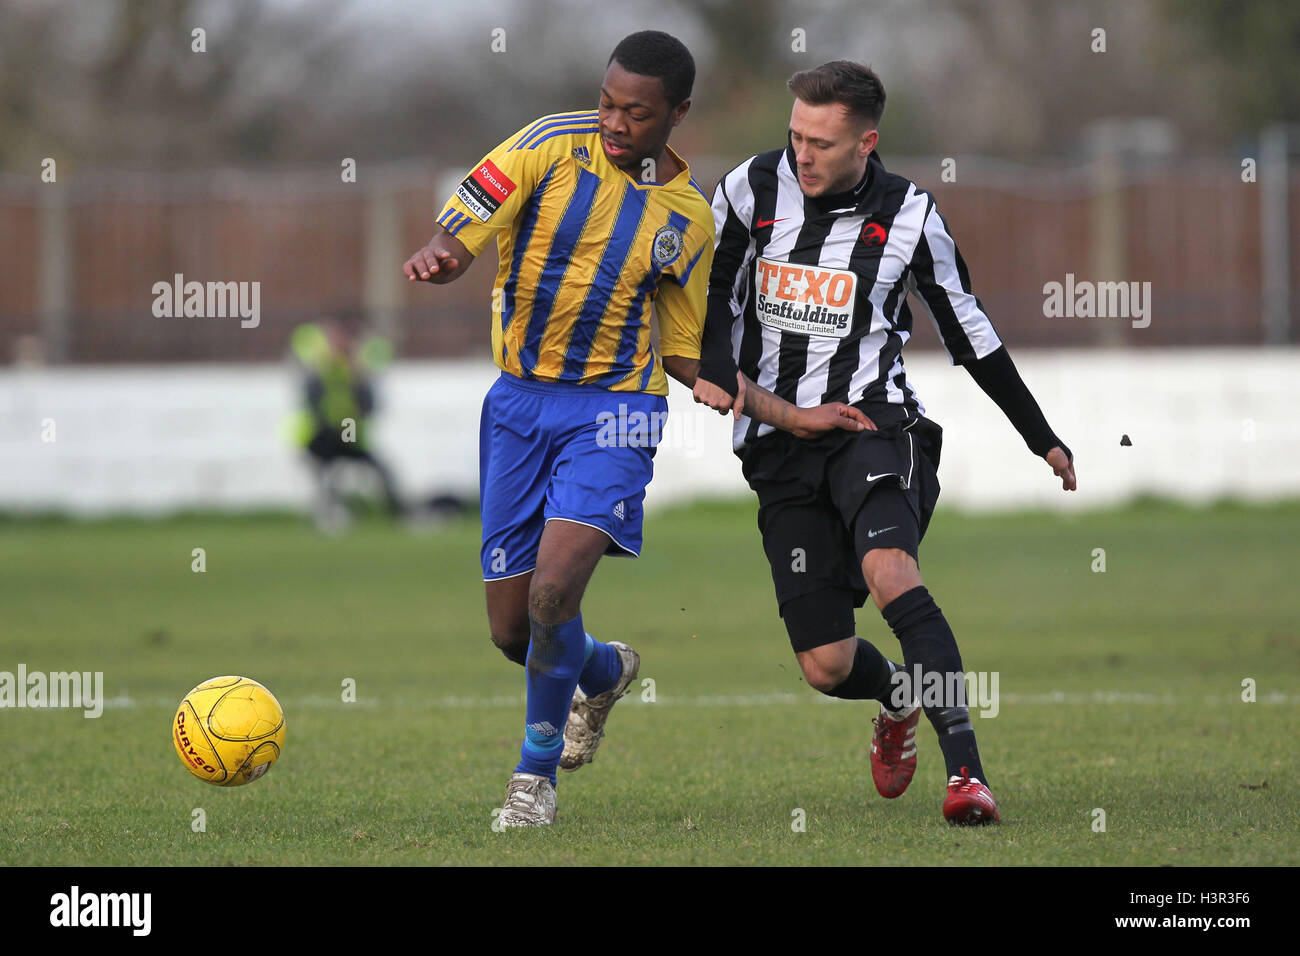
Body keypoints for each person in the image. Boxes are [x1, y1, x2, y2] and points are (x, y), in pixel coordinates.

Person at [403, 33, 868, 827]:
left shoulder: (686, 218)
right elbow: (468, 218)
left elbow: (689, 357)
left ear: (677, 114)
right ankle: (602, 668)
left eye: (637, 112)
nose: (615, 122)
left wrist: (792, 416)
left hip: (614, 412)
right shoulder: (547, 145)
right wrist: (445, 254)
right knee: (516, 630)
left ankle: (533, 779)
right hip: (516, 406)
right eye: (608, 102)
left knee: (554, 589)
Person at [693, 60, 1077, 825]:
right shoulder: (748, 188)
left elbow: (971, 334)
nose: (802, 153)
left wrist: (1041, 436)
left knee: (893, 572)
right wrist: (712, 372)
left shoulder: (910, 216)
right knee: (827, 664)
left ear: (865, 143)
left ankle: (967, 775)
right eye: (795, 135)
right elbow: (711, 292)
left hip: (875, 427)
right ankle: (897, 695)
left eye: (822, 143)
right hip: (777, 447)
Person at [289, 315, 404, 529]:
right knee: (327, 473)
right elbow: (312, 399)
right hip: (324, 434)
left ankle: (398, 515)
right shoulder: (320, 367)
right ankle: (329, 512)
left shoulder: (357, 370)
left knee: (380, 470)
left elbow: (369, 403)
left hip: (350, 435)